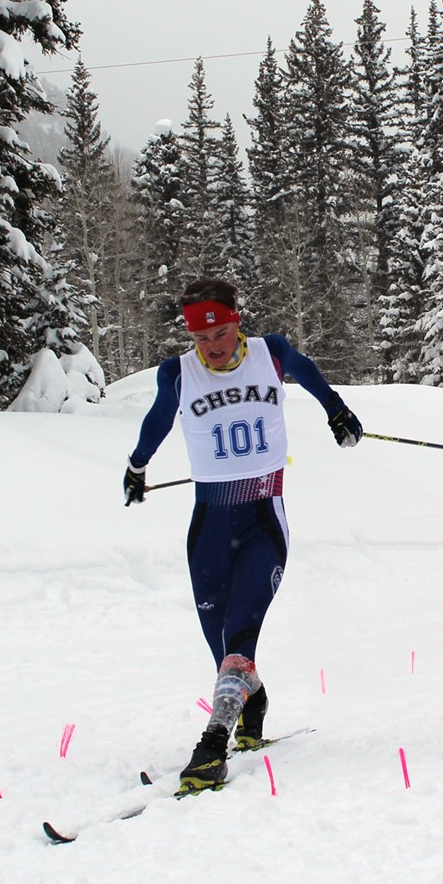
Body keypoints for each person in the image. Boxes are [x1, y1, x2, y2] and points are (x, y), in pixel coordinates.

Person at [123, 278, 365, 792]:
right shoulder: (178, 373)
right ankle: (251, 698)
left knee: (240, 636)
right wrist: (137, 465)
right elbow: (158, 421)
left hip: (262, 520)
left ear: (237, 320)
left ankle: (212, 747)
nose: (214, 346)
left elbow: (310, 373)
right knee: (223, 647)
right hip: (208, 525)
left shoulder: (270, 354)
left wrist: (337, 410)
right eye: (203, 338)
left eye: (224, 332)